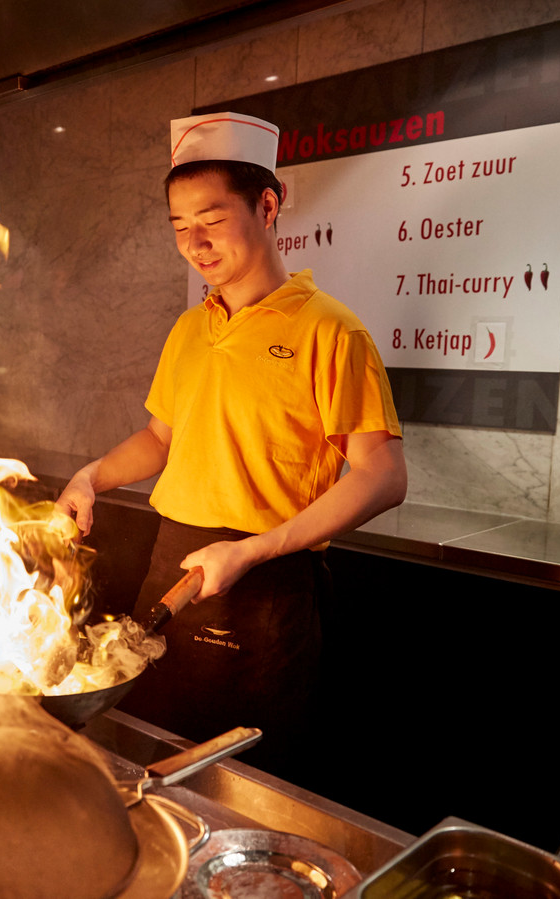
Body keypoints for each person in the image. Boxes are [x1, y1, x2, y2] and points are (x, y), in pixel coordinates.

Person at [56, 112, 407, 773]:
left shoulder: (331, 332)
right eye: (180, 226)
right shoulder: (190, 328)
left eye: (211, 220)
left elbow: (382, 474)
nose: (195, 242)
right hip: (172, 568)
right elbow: (161, 438)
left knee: (248, 780)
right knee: (149, 762)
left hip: (266, 584)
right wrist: (90, 477)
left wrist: (252, 549)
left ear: (267, 205)